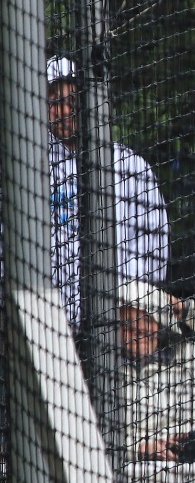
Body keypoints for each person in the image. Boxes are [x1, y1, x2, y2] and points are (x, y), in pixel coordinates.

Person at [43, 56, 168, 318]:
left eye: (72, 100)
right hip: (53, 329)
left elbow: (156, 247)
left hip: (123, 326)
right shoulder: (33, 171)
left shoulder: (129, 165)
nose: (65, 111)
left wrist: (143, 311)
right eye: (55, 102)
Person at [116, 280, 195, 462]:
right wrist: (138, 448)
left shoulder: (191, 358)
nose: (139, 329)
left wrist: (186, 310)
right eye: (129, 323)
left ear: (159, 324)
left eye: (147, 319)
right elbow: (95, 435)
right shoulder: (106, 376)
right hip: (136, 473)